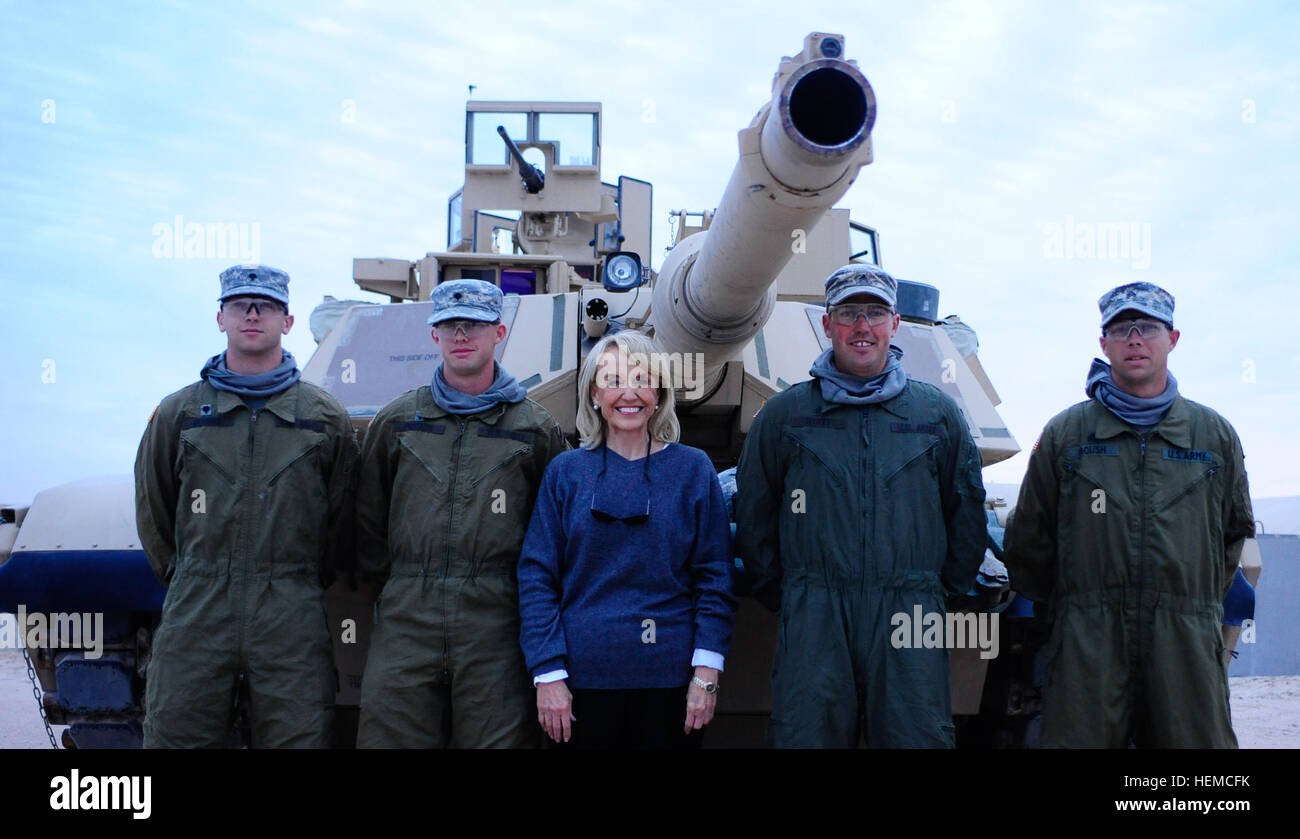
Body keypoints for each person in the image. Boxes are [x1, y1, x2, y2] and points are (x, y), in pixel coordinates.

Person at [734, 263, 987, 748]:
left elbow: (966, 510)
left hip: (911, 609)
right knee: (807, 736)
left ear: (895, 325)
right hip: (815, 610)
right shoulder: (787, 415)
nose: (862, 326)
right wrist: (790, 596)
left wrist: (938, 593)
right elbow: (755, 512)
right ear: (828, 325)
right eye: (849, 313)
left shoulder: (936, 414)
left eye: (875, 313)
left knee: (917, 736)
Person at [1003, 282, 1254, 748]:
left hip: (1184, 635)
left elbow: (1233, 532)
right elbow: (1029, 538)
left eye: (1148, 327)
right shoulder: (1067, 434)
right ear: (1104, 345)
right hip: (1087, 637)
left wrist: (1190, 601)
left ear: (1172, 339)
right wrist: (1074, 608)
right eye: (1121, 329)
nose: (1135, 339)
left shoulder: (1212, 435)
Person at [134, 264, 358, 748]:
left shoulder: (323, 419)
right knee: (176, 734)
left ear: (288, 321)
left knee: (300, 737)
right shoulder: (181, 414)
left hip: (290, 609)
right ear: (221, 319)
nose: (252, 314)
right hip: (198, 605)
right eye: (240, 304)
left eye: (267, 306)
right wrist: (191, 575)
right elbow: (154, 512)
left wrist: (295, 579)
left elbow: (341, 520)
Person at [354, 279, 567, 748]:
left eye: (475, 324)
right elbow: (368, 519)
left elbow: (551, 530)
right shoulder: (398, 421)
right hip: (408, 611)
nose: (462, 335)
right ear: (434, 336)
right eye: (450, 325)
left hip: (497, 616)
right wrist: (400, 586)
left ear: (500, 331)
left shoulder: (533, 427)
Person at [518, 331, 736, 749]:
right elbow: (537, 578)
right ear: (594, 395)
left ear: (659, 392)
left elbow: (714, 578)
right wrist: (548, 674)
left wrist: (706, 675)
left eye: (641, 378)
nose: (628, 393)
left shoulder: (693, 470)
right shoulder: (565, 474)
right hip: (580, 688)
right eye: (613, 380)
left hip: (670, 685)